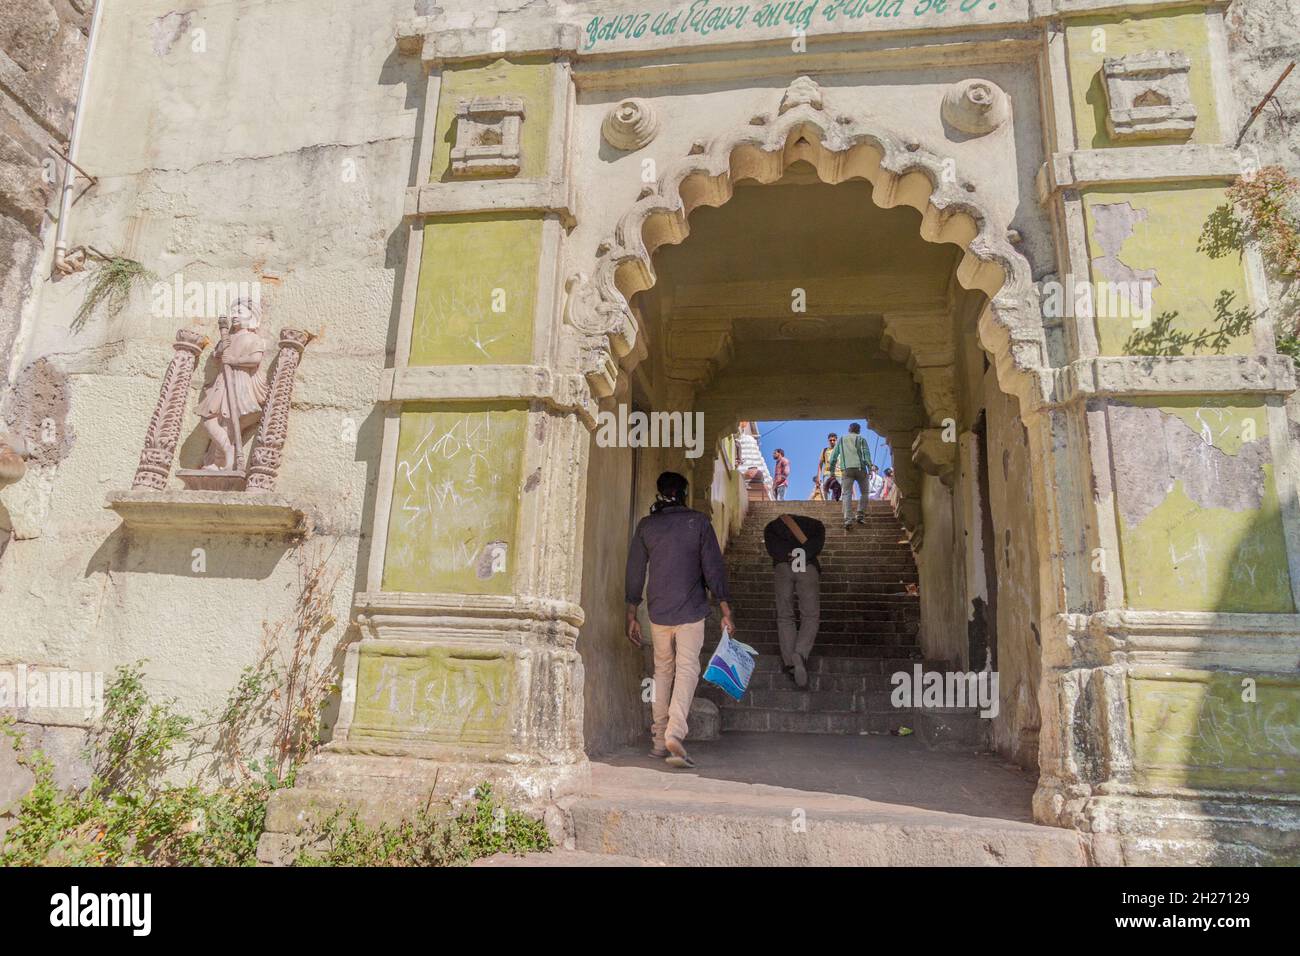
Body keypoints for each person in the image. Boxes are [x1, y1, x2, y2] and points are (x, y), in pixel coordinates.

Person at [625, 471, 735, 769]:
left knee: (662, 671)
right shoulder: (698, 522)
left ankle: (660, 739)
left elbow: (635, 570)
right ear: (684, 493)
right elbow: (713, 567)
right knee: (687, 669)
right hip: (691, 611)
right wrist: (725, 608)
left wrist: (632, 612)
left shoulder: (647, 526)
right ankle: (675, 730)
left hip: (658, 611)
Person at [763, 511, 825, 689]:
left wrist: (787, 555)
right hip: (807, 566)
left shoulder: (772, 527)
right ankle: (800, 653)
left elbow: (772, 549)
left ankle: (790, 662)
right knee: (810, 615)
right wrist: (802, 553)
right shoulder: (814, 524)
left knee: (785, 616)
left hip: (783, 567)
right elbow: (818, 542)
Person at [827, 422, 873, 529]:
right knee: (865, 492)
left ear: (849, 429)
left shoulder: (842, 439)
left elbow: (833, 457)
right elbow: (866, 455)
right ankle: (860, 515)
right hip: (861, 469)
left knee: (846, 494)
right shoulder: (861, 439)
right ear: (859, 430)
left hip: (846, 470)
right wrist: (870, 468)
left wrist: (832, 472)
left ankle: (848, 519)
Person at [817, 432, 842, 501]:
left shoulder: (841, 451)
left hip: (839, 474)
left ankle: (836, 507)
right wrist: (818, 477)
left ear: (837, 440)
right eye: (830, 440)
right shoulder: (825, 450)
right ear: (828, 441)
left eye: (834, 440)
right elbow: (820, 464)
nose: (832, 441)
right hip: (827, 474)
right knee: (826, 490)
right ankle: (826, 505)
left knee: (837, 493)